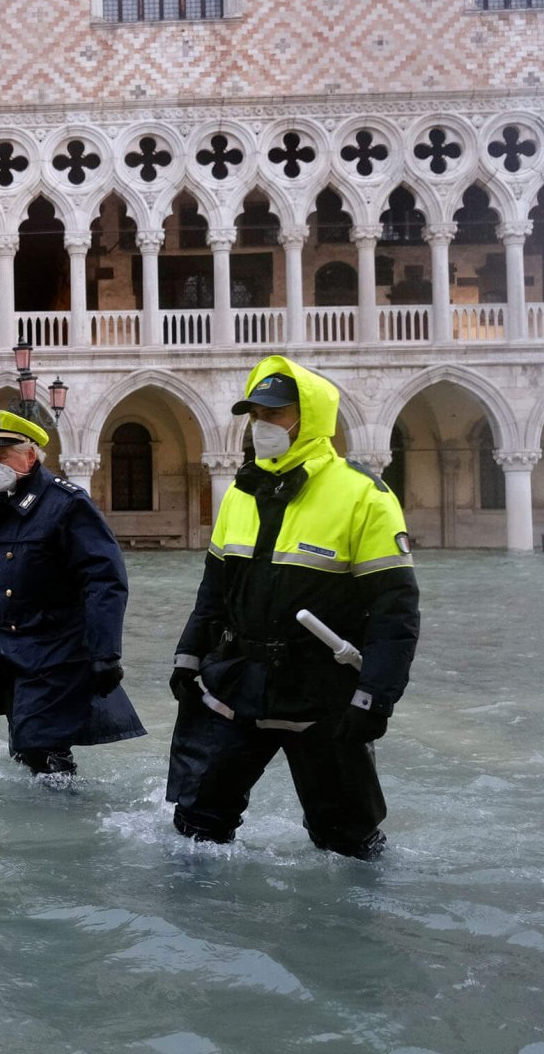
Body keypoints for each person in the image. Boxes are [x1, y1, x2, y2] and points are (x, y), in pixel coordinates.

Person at [165, 357, 419, 858]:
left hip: (324, 697)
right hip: (237, 686)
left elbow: (396, 610)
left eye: (274, 415)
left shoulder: (364, 495)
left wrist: (377, 696)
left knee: (348, 843)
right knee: (196, 829)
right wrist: (188, 655)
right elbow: (214, 590)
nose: (261, 425)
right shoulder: (241, 493)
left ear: (311, 420)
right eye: (255, 414)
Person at [0, 408, 146, 775]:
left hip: (54, 656)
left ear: (30, 455)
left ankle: (70, 824)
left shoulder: (68, 504)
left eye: (2, 457)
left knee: (42, 752)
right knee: (24, 754)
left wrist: (106, 654)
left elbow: (106, 580)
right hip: (8, 655)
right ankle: (44, 822)